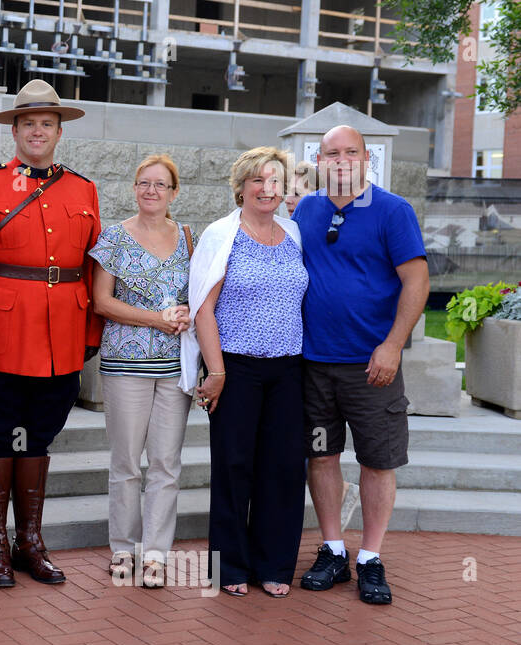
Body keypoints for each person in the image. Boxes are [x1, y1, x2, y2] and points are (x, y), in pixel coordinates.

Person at [0, 79, 104, 587]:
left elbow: (94, 269)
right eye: (29, 122)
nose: (38, 131)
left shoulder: (83, 189)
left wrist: (91, 331)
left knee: (39, 438)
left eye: (47, 124)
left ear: (60, 132)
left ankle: (29, 541)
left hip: (60, 339)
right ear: (14, 130)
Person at [292, 125, 429, 605]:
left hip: (373, 366)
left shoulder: (393, 211)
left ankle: (370, 556)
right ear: (320, 159)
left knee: (377, 461)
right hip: (313, 364)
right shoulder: (306, 208)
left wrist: (393, 344)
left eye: (352, 151)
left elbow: (416, 282)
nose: (342, 160)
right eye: (333, 153)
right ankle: (333, 550)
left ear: (367, 157)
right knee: (321, 455)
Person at [182, 147, 308, 597]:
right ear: (240, 188)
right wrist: (215, 372)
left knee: (284, 469)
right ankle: (230, 568)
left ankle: (274, 564)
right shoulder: (223, 235)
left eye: (275, 180)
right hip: (235, 368)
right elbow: (203, 309)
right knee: (235, 468)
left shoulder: (293, 232)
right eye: (257, 180)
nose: (267, 188)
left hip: (289, 369)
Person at [89, 154, 193, 588]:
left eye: (160, 185)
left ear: (173, 192)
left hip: (174, 369)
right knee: (127, 463)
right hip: (125, 365)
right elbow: (101, 302)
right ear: (134, 188)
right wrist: (155, 319)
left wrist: (186, 311)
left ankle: (155, 553)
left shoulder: (188, 236)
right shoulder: (113, 237)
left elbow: (199, 293)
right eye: (144, 183)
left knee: (166, 463)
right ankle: (122, 549)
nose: (151, 191)